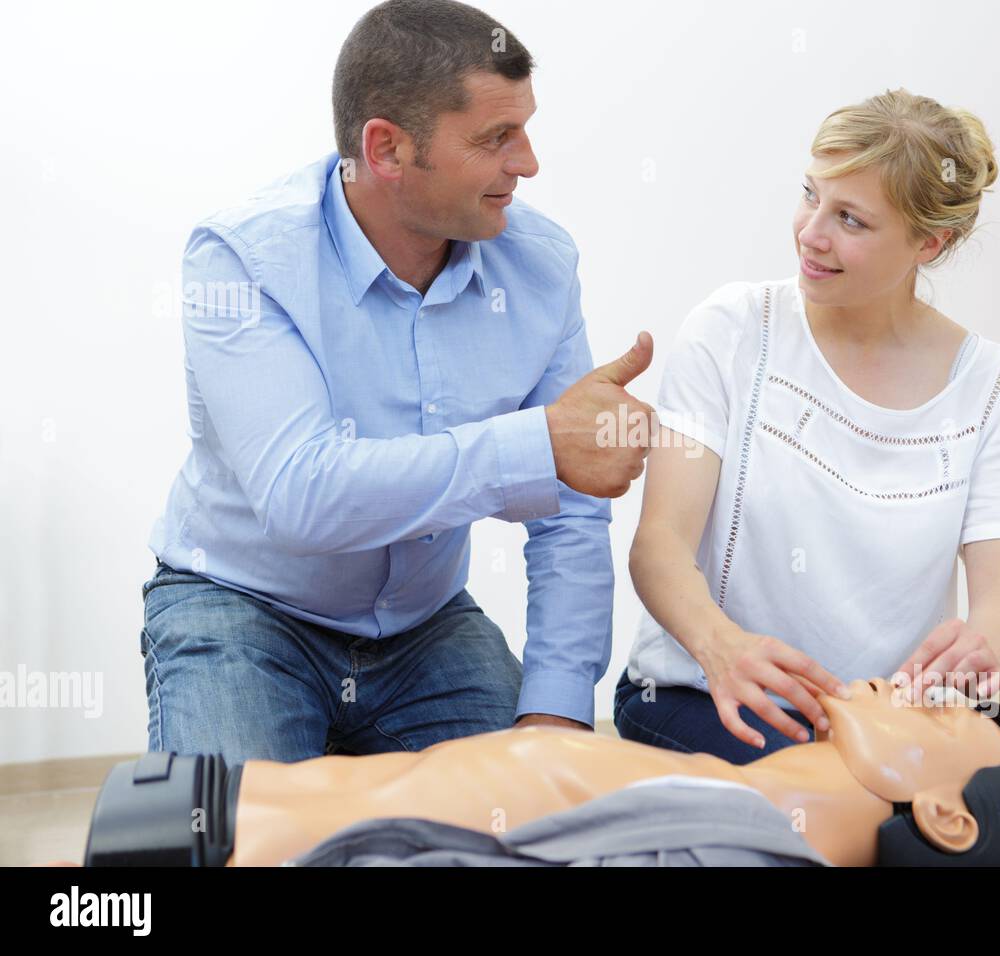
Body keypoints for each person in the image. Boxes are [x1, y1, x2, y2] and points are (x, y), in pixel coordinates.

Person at [141, 0, 655, 765]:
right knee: (234, 839)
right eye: (495, 138)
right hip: (242, 610)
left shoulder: (542, 267)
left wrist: (556, 709)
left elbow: (570, 515)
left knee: (544, 826)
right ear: (386, 148)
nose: (528, 162)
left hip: (426, 629)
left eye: (525, 128)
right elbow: (301, 496)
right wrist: (539, 444)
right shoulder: (243, 260)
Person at [617, 88, 1000, 764]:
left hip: (886, 719)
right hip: (706, 696)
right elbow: (659, 544)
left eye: (851, 219)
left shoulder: (989, 384)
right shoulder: (730, 331)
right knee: (833, 809)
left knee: (998, 815)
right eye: (810, 196)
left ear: (930, 242)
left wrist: (983, 645)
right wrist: (721, 645)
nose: (812, 233)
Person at [77, 679, 1000, 867]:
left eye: (936, 713)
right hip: (197, 800)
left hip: (202, 852)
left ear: (945, 816)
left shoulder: (735, 851)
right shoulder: (726, 797)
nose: (899, 682)